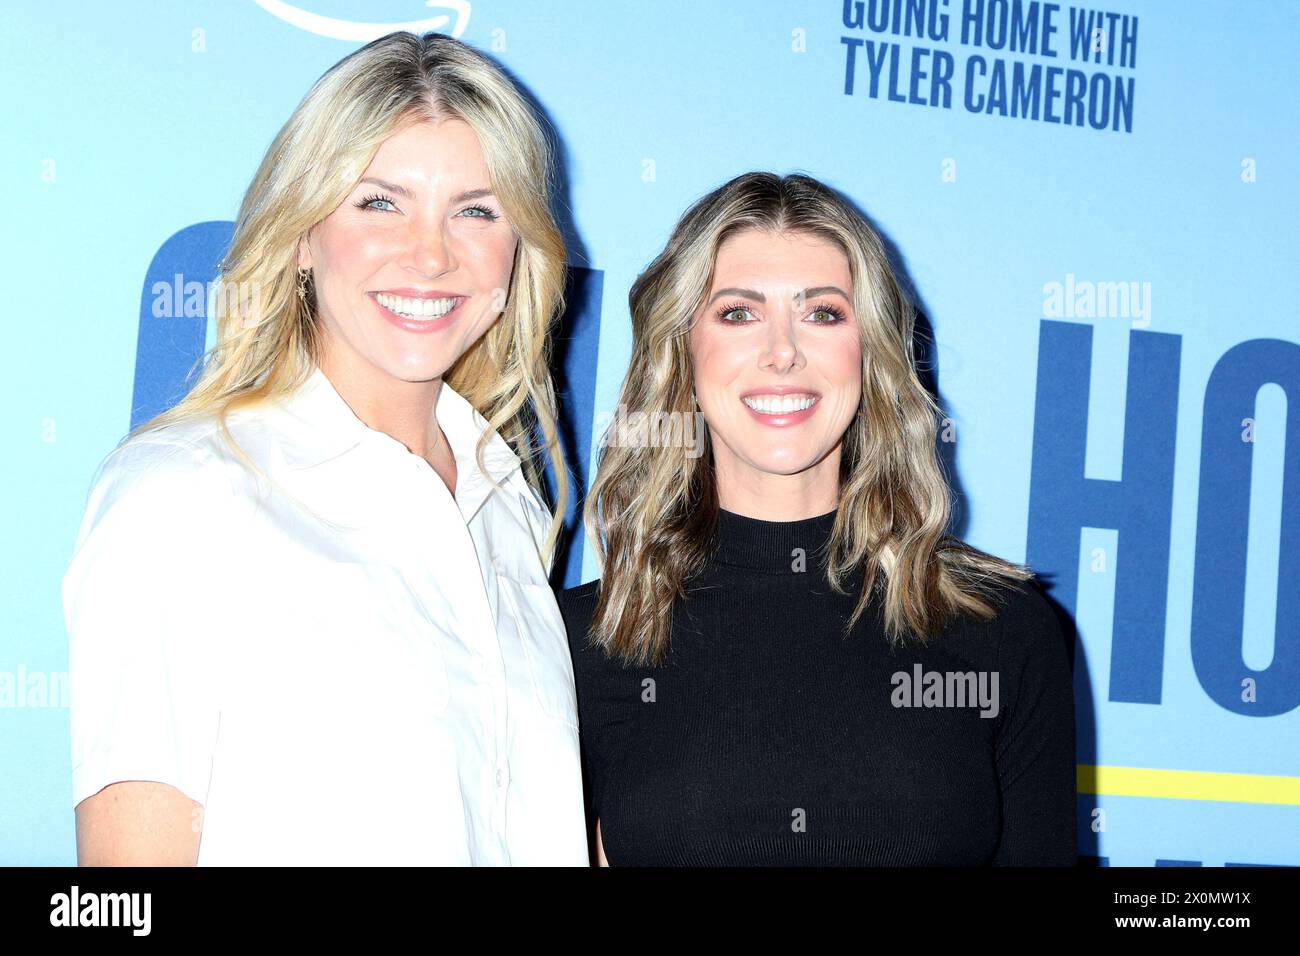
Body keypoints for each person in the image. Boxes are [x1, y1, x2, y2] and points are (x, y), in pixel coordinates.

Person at [64, 31, 586, 865]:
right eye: (381, 202)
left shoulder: (510, 510)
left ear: (517, 251)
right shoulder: (185, 494)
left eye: (477, 210)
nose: (430, 254)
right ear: (303, 235)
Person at [559, 172, 1077, 866]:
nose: (782, 350)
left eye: (823, 314)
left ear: (872, 352)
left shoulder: (1002, 631)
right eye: (738, 313)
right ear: (682, 351)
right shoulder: (582, 643)